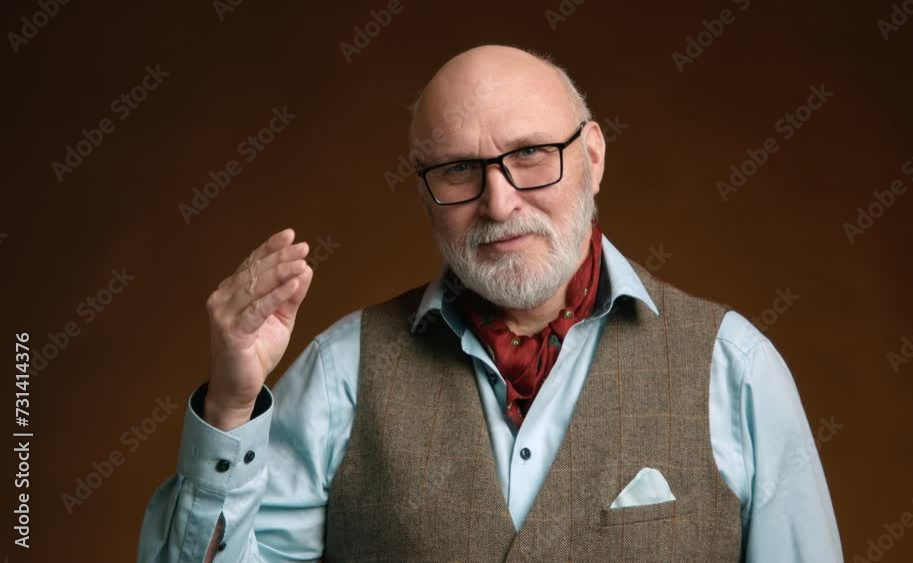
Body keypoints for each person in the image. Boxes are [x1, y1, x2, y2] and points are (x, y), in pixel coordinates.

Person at [137, 44, 843, 562]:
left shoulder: (734, 369)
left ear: (593, 156)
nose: (499, 203)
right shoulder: (342, 373)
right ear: (425, 193)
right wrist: (230, 407)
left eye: (531, 154)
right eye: (459, 169)